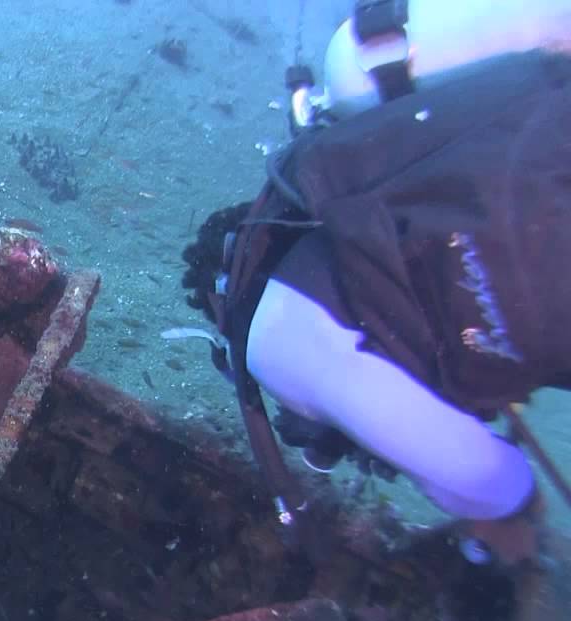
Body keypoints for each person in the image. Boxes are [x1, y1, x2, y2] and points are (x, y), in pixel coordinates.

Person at [181, 0, 571, 565]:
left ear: (222, 314)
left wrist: (510, 514)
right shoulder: (373, 181)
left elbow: (480, 471)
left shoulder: (273, 333)